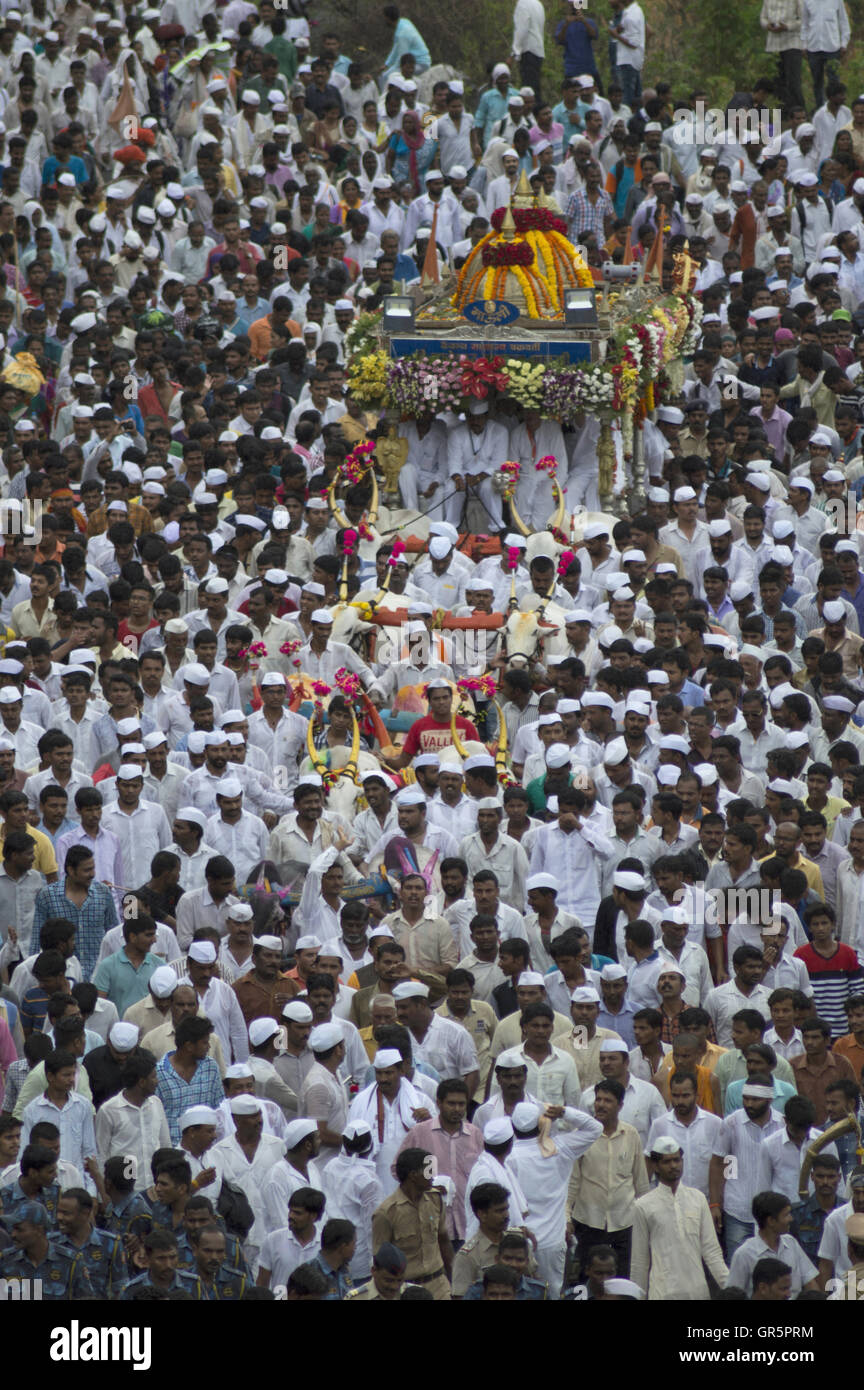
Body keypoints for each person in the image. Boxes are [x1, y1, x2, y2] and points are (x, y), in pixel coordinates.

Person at [630, 1136, 728, 1300]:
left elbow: (712, 1252)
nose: (673, 1166)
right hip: (663, 1292)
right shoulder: (643, 1205)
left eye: (676, 1160)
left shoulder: (697, 1199)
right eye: (666, 1162)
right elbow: (639, 1262)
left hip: (698, 1291)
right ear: (655, 1166)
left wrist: (731, 1287)